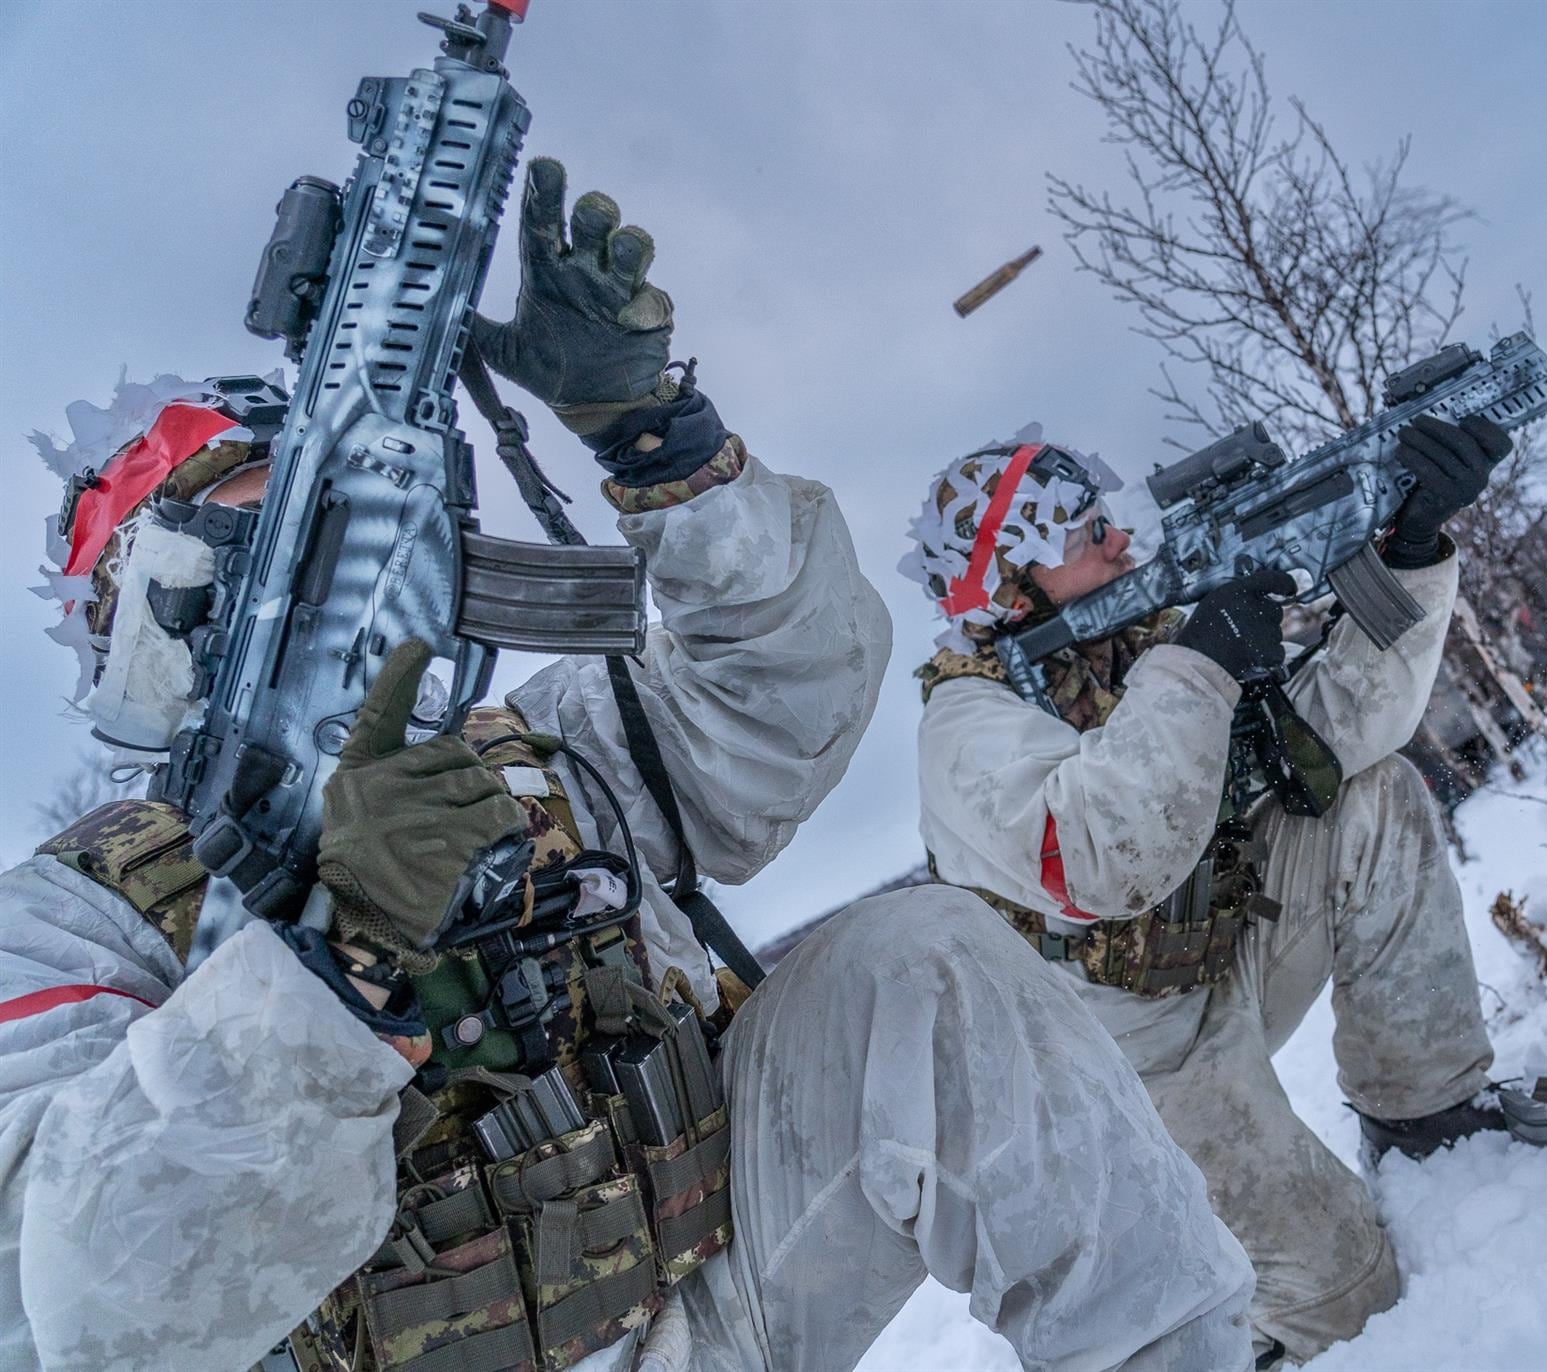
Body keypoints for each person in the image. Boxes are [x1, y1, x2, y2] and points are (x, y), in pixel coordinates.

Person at [0, 162, 1256, 1372]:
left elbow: (788, 692)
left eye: (340, 525)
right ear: (151, 618)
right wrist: (337, 966)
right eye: (263, 543)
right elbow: (79, 1316)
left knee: (923, 959)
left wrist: (659, 443)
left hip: (714, 1299)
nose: (333, 582)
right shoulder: (73, 921)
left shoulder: (526, 759)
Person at [903, 416, 1529, 1364]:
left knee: (1373, 800)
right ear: (1009, 582)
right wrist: (1199, 664)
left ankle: (1427, 1119)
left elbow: (1338, 736)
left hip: (1226, 960)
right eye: (1087, 534)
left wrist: (1408, 551)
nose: (1119, 539)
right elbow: (1109, 860)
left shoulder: (1134, 645)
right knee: (1349, 1300)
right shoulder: (966, 730)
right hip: (1126, 1074)